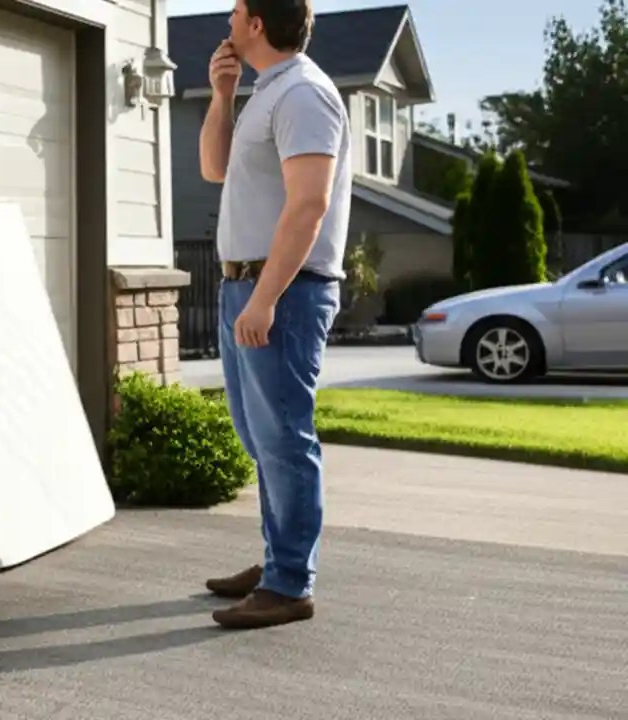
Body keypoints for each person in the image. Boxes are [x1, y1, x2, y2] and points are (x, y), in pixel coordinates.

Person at [198, 0, 351, 630]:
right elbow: (213, 168)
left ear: (257, 24)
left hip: (282, 291)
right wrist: (222, 95)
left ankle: (289, 583)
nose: (228, 22)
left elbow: (309, 204)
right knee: (261, 438)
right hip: (245, 285)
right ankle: (276, 560)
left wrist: (264, 298)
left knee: (285, 437)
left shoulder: (305, 94)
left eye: (236, 11)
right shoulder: (267, 92)